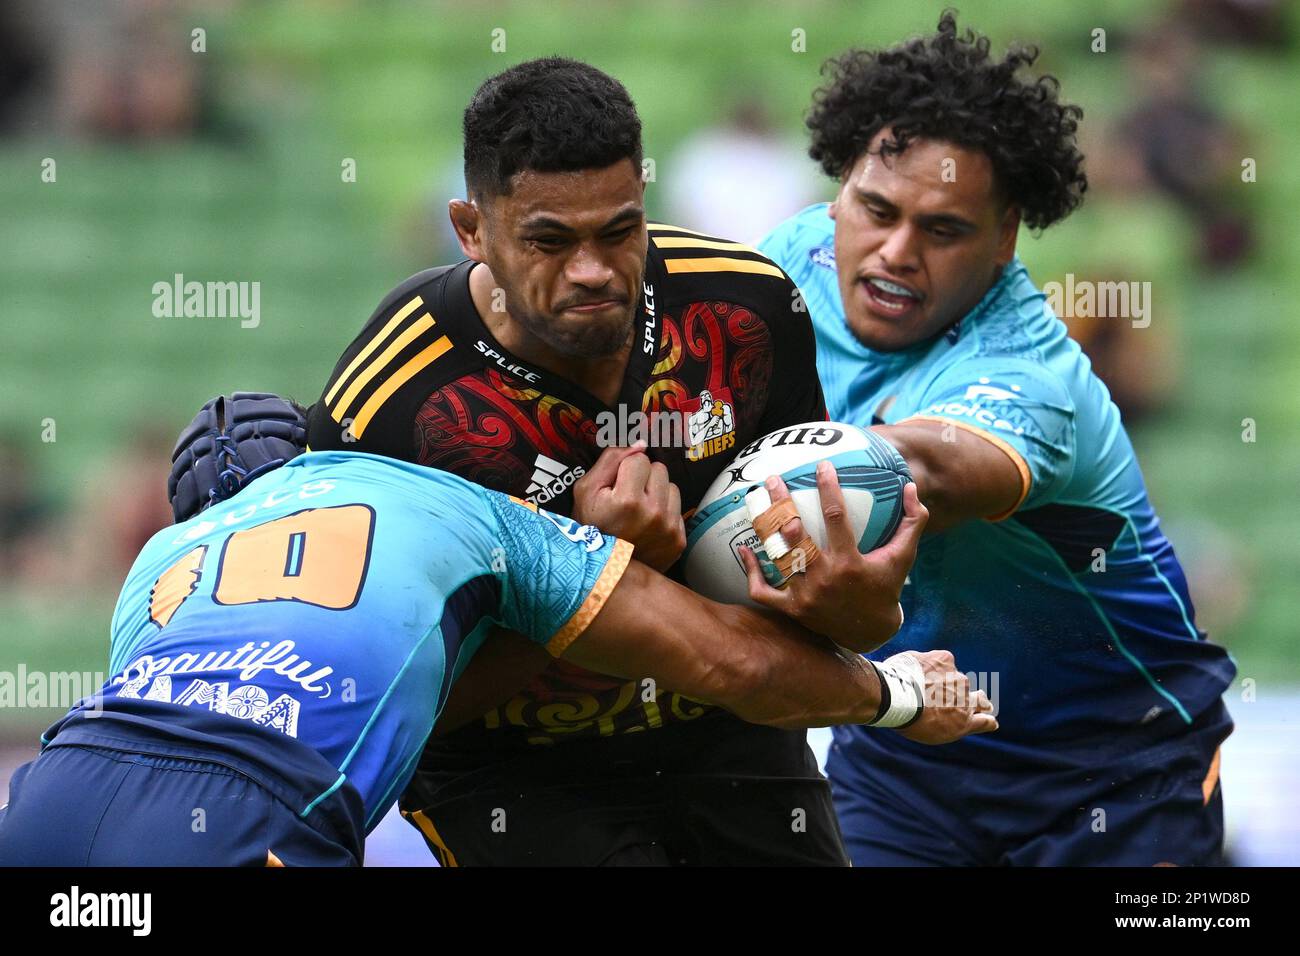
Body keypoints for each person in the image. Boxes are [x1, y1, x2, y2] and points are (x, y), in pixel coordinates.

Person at [306, 58, 900, 865]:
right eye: (549, 240)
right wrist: (592, 570)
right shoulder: (392, 399)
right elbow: (384, 703)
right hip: (510, 775)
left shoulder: (746, 310)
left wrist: (864, 609)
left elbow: (820, 610)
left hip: (729, 734)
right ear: (471, 229)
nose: (592, 271)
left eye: (619, 231)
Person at [0, 393, 994, 866]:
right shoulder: (446, 503)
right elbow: (724, 656)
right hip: (256, 809)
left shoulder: (151, 568)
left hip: (53, 792)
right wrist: (899, 692)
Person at [758, 14, 1235, 866]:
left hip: (1118, 774)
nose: (896, 251)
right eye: (875, 210)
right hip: (906, 756)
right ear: (840, 195)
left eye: (943, 230)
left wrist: (743, 478)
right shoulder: (790, 264)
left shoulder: (1029, 374)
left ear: (1006, 236)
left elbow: (933, 470)